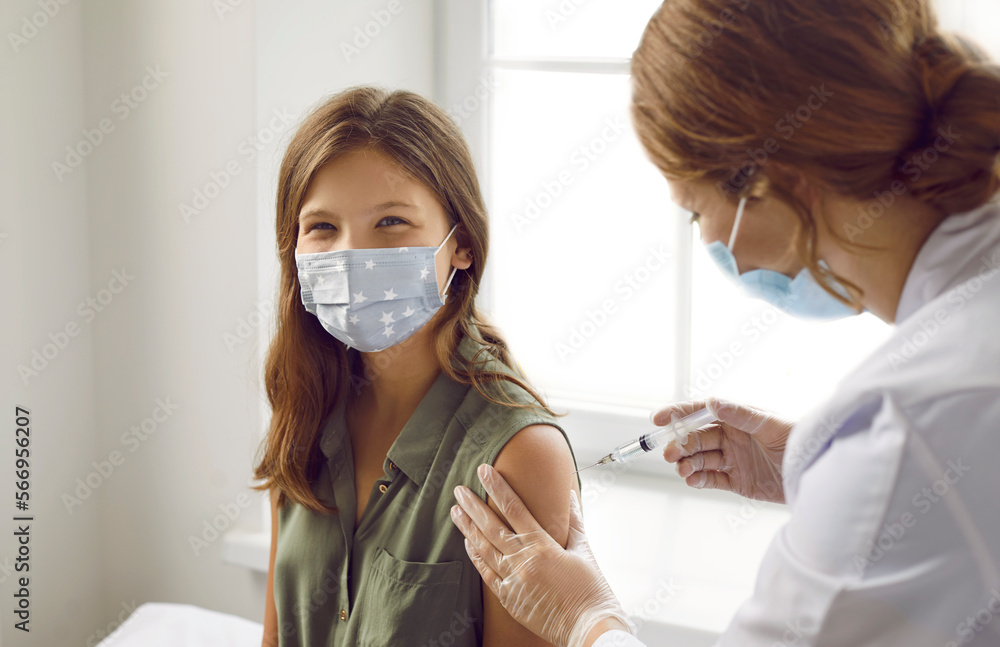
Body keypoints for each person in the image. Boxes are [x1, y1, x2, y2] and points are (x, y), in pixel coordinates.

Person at [449, 0, 1000, 645]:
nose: (709, 241)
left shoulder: (909, 430)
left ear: (773, 181)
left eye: (694, 210)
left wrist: (585, 619)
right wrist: (813, 468)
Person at [250, 86, 583, 647]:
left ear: (461, 244)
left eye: (391, 221)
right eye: (322, 227)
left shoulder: (521, 458)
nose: (352, 256)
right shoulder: (307, 405)